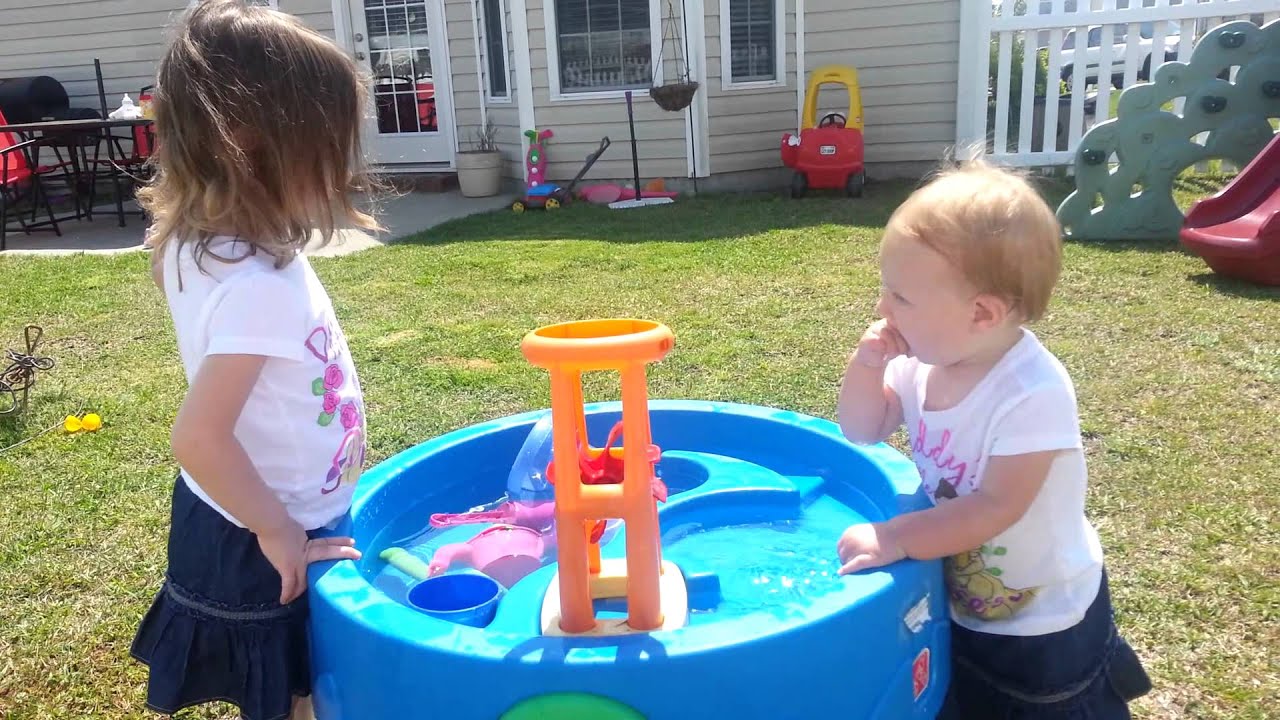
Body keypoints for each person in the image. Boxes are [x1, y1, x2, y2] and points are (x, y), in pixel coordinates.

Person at [129, 2, 381, 718]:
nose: (338, 169)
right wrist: (280, 531)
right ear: (252, 142)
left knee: (288, 685)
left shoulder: (196, 245)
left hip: (244, 511)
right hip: (263, 529)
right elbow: (198, 436)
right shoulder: (257, 284)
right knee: (291, 690)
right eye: (325, 148)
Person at [834, 157, 1151, 717]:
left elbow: (997, 505)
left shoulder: (1032, 392)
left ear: (982, 313)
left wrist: (898, 537)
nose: (883, 309)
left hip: (1044, 623)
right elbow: (862, 428)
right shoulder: (922, 363)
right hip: (965, 594)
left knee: (1044, 707)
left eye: (901, 298)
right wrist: (865, 367)